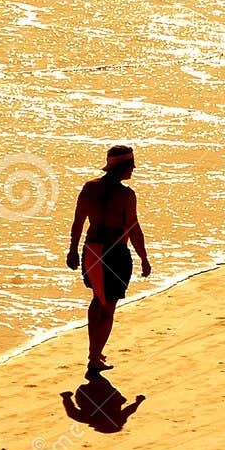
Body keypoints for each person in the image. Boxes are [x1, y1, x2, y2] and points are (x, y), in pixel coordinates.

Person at [67, 145, 151, 380]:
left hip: (92, 250)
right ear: (122, 167)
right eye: (130, 166)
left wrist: (73, 250)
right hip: (115, 254)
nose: (133, 170)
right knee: (108, 307)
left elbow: (78, 222)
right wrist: (144, 258)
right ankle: (94, 357)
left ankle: (94, 353)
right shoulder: (126, 195)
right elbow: (134, 229)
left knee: (97, 301)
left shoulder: (89, 188)